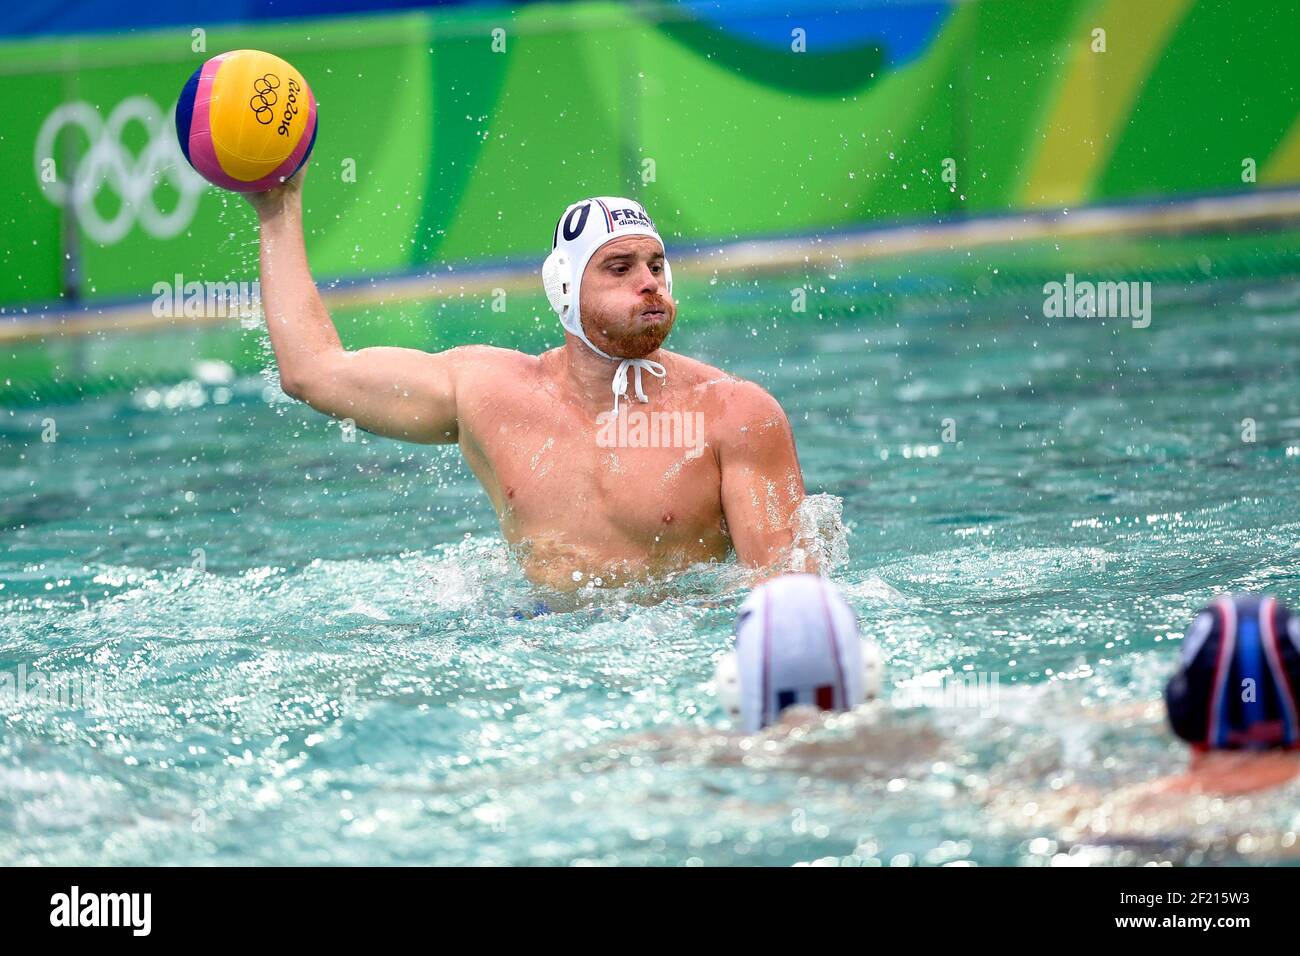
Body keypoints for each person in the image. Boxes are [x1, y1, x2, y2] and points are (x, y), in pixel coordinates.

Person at [246, 175, 808, 591]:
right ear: (563, 288)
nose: (649, 284)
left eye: (656, 265)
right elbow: (313, 372)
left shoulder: (734, 414)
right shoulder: (488, 392)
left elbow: (789, 602)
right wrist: (278, 206)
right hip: (536, 647)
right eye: (620, 268)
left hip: (675, 654)